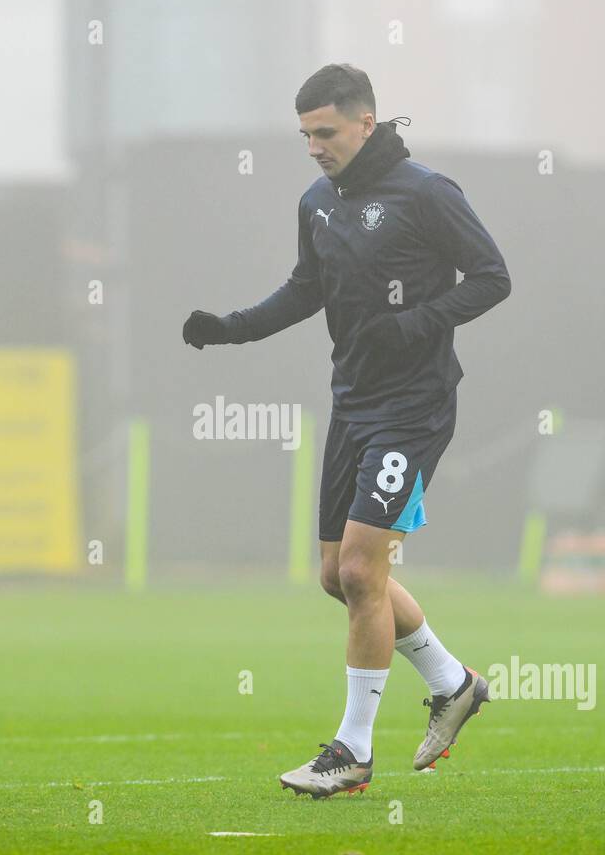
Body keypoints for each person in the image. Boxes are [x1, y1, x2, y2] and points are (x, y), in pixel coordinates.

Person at [181, 64, 512, 798]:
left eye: (325, 132)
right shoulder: (317, 202)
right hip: (353, 403)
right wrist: (231, 330)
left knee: (364, 571)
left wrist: (416, 324)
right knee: (339, 578)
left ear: (367, 123)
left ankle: (353, 753)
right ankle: (454, 683)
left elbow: (492, 276)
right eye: (305, 135)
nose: (314, 146)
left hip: (415, 406)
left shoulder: (427, 193)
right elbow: (307, 288)